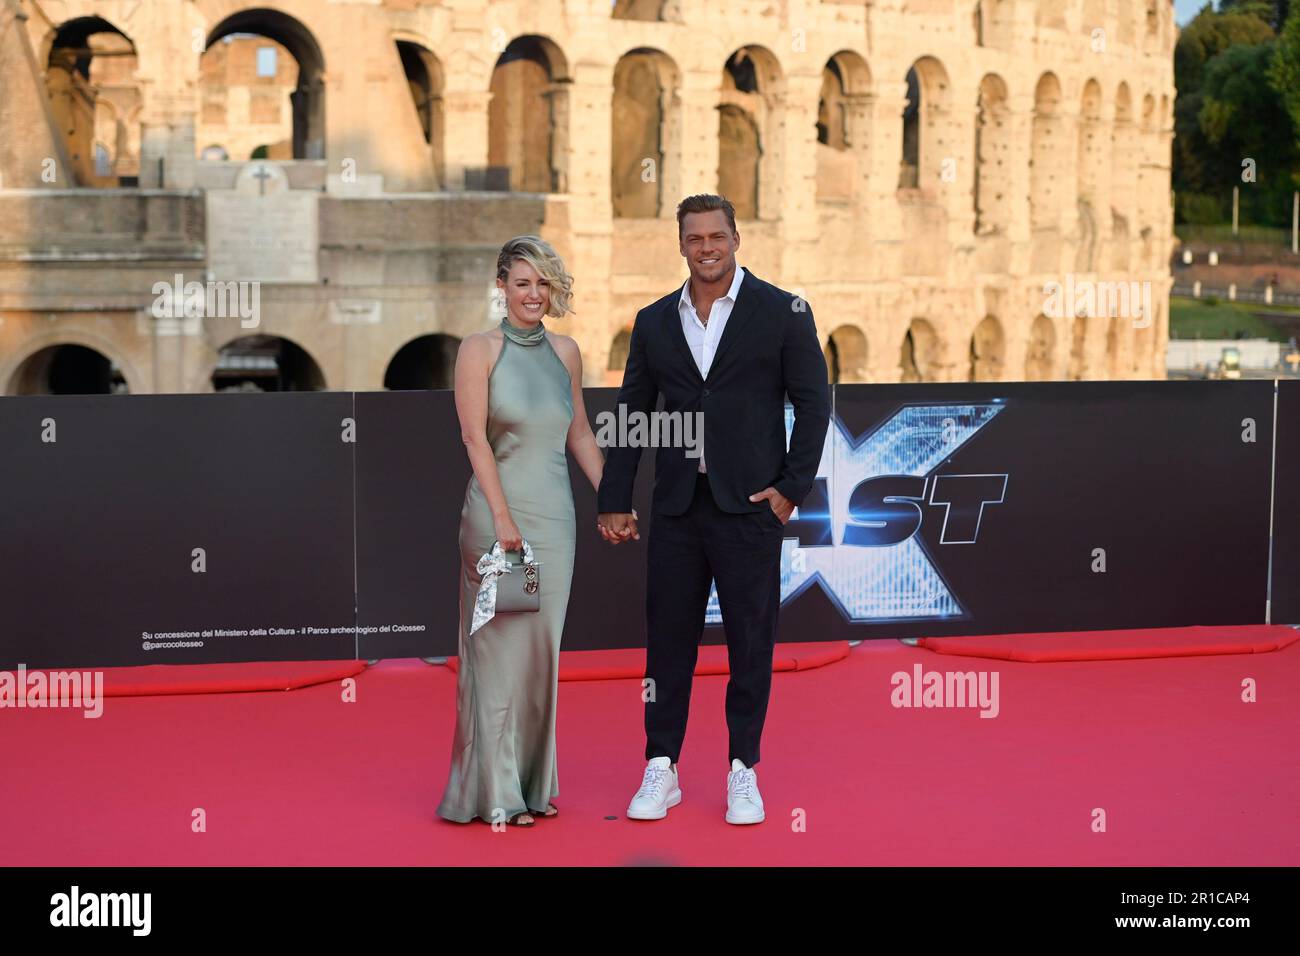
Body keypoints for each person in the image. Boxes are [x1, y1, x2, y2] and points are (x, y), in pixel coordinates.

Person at [597, 194, 831, 825]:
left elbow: (815, 405)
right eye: (694, 238)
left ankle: (742, 769)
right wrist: (615, 496)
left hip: (749, 509)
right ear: (680, 244)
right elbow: (633, 413)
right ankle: (661, 766)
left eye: (716, 236)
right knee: (667, 643)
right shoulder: (652, 322)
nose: (707, 248)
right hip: (675, 508)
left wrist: (791, 488)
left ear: (736, 238)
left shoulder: (783, 312)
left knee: (751, 643)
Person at [436, 235, 605, 827]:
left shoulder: (566, 352)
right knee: (497, 652)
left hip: (556, 520)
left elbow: (579, 432)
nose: (534, 294)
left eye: (543, 283)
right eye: (522, 282)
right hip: (496, 518)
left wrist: (610, 499)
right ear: (502, 285)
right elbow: (473, 438)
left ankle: (532, 786)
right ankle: (494, 792)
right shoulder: (479, 349)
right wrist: (503, 517)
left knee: (541, 652)